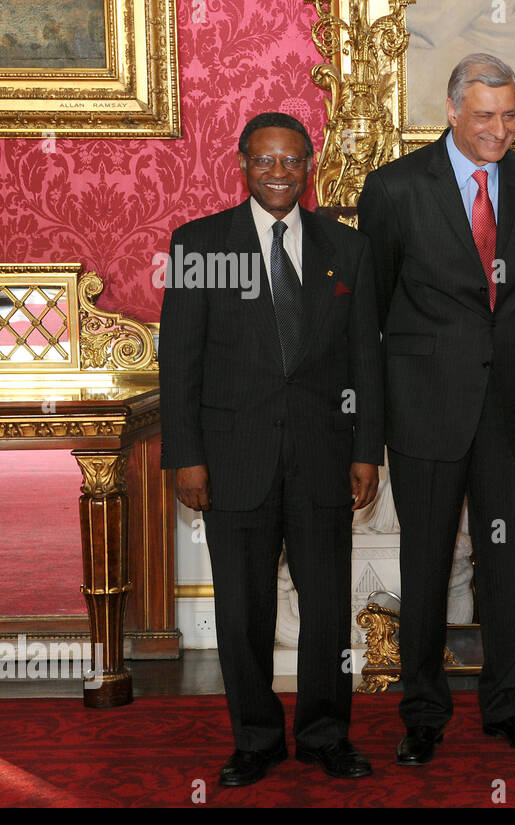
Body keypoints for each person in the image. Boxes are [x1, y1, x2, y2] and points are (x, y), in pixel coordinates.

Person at [160, 112, 384, 785]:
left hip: (322, 457)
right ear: (242, 164)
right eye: (265, 160)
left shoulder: (348, 249)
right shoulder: (201, 244)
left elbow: (364, 362)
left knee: (325, 609)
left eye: (291, 160)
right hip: (232, 461)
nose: (278, 172)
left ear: (308, 164)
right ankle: (255, 738)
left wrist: (367, 447)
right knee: (243, 610)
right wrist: (186, 455)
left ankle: (324, 734)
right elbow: (181, 364)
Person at [357, 53, 515, 763]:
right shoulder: (394, 188)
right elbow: (368, 317)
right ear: (450, 111)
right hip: (424, 414)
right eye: (484, 116)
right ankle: (422, 714)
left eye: (509, 115)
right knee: (429, 564)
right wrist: (370, 428)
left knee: (506, 565)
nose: (499, 130)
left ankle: (506, 705)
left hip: (504, 414)